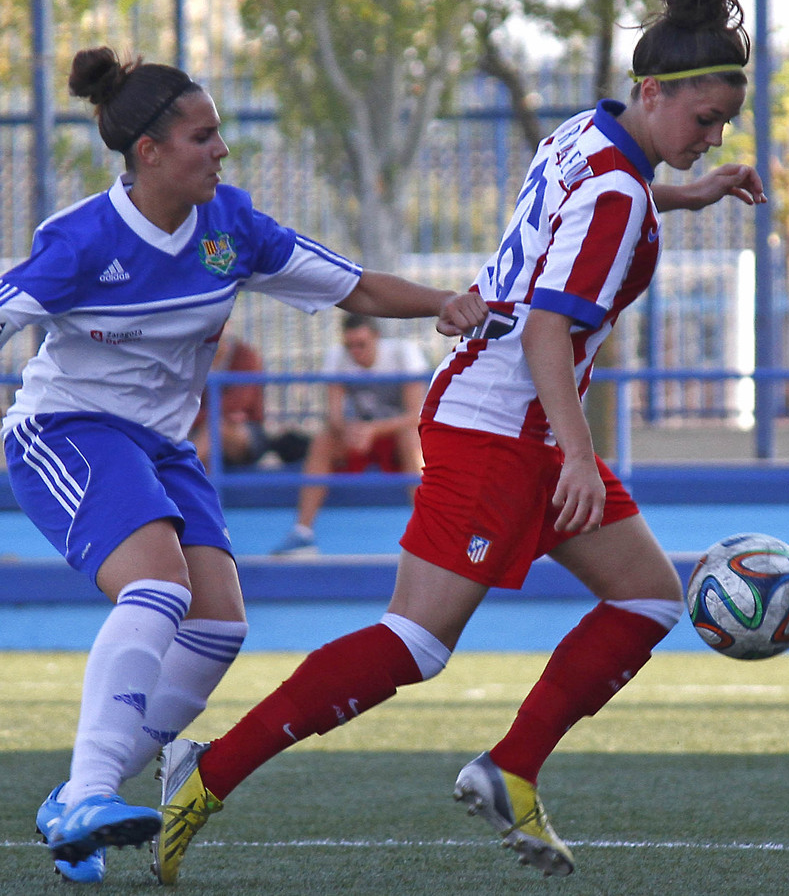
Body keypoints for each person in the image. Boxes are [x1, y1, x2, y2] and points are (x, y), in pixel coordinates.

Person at [154, 0, 766, 883]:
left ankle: (512, 767)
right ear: (653, 93)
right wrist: (583, 456)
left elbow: (601, 203)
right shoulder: (619, 195)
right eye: (705, 120)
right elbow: (554, 324)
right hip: (503, 428)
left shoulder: (586, 137)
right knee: (416, 642)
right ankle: (206, 773)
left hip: (514, 419)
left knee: (647, 595)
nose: (712, 136)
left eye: (722, 126)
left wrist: (691, 192)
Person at [2, 46, 487, 884]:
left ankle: (78, 799)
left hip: (159, 444)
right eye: (203, 136)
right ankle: (85, 791)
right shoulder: (82, 239)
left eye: (220, 134)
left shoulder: (231, 227)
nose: (221, 150)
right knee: (158, 588)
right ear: (149, 152)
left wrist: (443, 304)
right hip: (68, 428)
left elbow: (354, 288)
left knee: (219, 623)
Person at [272, 312, 428, 556]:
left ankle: (426, 530)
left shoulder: (403, 353)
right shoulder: (337, 357)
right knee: (323, 442)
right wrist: (350, 431)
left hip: (396, 435)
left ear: (377, 337)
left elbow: (416, 415)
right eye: (350, 345)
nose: (355, 351)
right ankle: (302, 532)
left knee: (412, 440)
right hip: (360, 435)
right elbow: (333, 416)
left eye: (361, 344)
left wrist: (373, 430)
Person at [189, 331, 269, 469]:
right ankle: (191, 476)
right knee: (211, 434)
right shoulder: (191, 357)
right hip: (199, 429)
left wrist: (198, 416)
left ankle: (185, 471)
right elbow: (182, 403)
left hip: (246, 430)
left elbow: (241, 400)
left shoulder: (245, 355)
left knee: (216, 428)